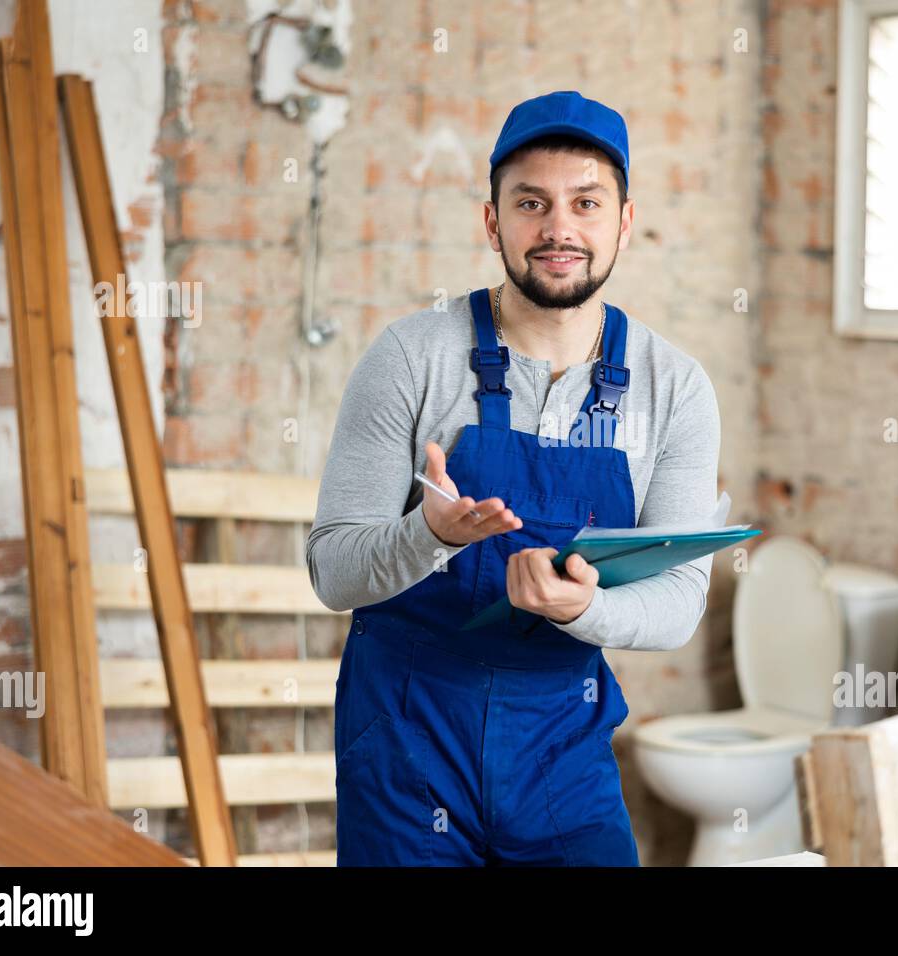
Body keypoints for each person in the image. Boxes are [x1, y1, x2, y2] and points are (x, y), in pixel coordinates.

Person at [308, 90, 721, 866]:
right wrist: (424, 536)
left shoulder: (678, 389)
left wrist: (585, 608)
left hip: (563, 750)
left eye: (585, 203)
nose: (559, 228)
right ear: (493, 221)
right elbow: (331, 571)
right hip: (408, 742)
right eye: (531, 202)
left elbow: (678, 604)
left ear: (624, 222)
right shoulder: (408, 358)